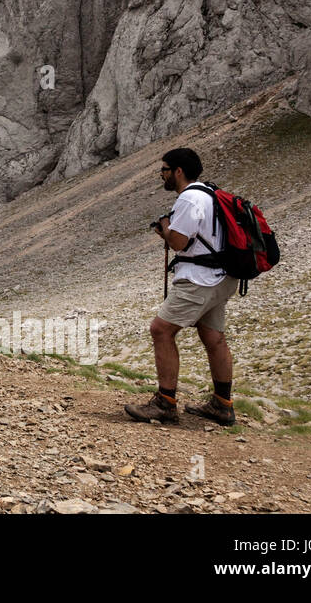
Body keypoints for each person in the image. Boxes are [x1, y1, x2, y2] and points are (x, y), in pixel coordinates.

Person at [125, 147, 238, 426]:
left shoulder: (189, 198)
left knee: (161, 330)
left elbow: (179, 243)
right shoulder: (211, 194)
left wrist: (164, 230)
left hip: (199, 278)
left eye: (164, 170)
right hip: (222, 276)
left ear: (178, 171)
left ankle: (165, 403)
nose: (161, 175)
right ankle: (222, 405)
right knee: (213, 338)